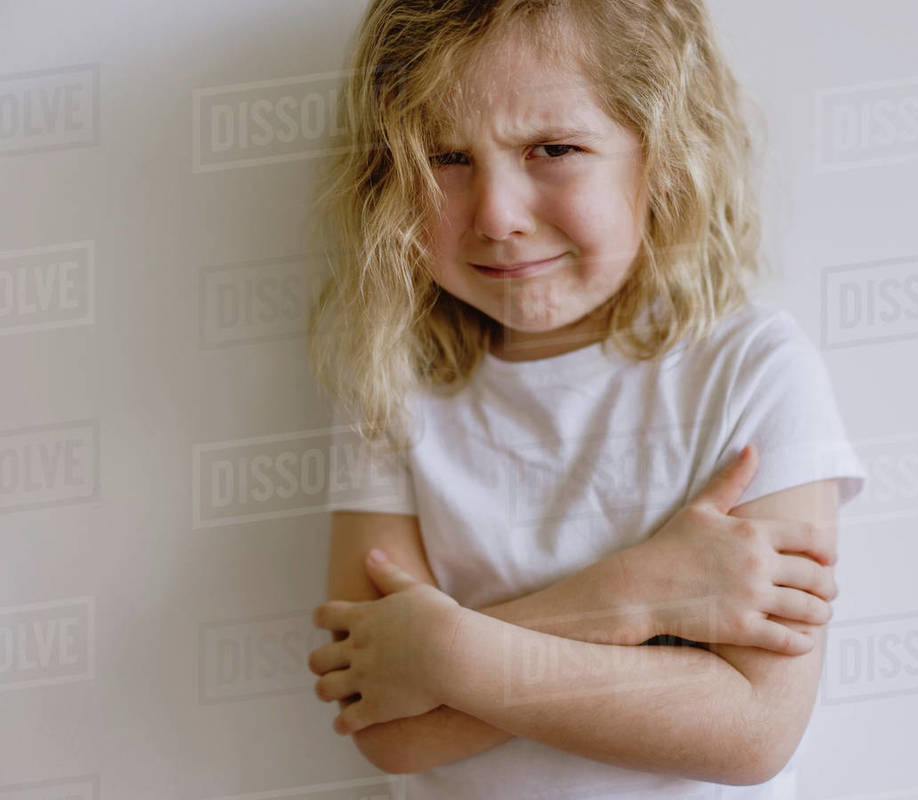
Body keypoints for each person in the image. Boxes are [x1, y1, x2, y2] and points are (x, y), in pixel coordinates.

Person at [305, 1, 866, 797]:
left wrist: (442, 654)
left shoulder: (753, 369)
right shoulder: (392, 382)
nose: (497, 215)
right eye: (446, 158)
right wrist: (626, 598)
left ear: (663, 156)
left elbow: (751, 730)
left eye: (554, 148)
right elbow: (386, 726)